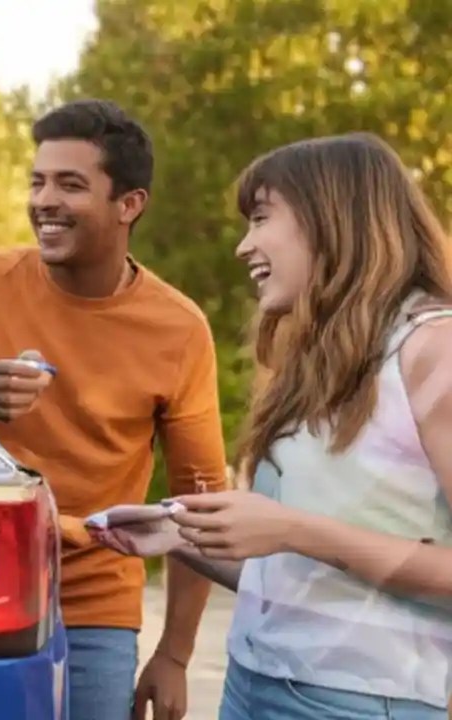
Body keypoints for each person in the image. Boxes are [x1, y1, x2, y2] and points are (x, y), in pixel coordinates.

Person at [95, 132, 452, 718]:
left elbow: (301, 535)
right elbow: (302, 567)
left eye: (261, 218)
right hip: (252, 684)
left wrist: (290, 529)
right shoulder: (318, 362)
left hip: (363, 702)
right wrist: (186, 538)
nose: (244, 246)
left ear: (333, 220)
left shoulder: (434, 347)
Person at [0, 98, 229, 720]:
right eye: (38, 182)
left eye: (70, 184)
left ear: (129, 205)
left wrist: (174, 654)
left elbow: (199, 501)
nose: (44, 201)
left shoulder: (179, 329)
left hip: (96, 604)